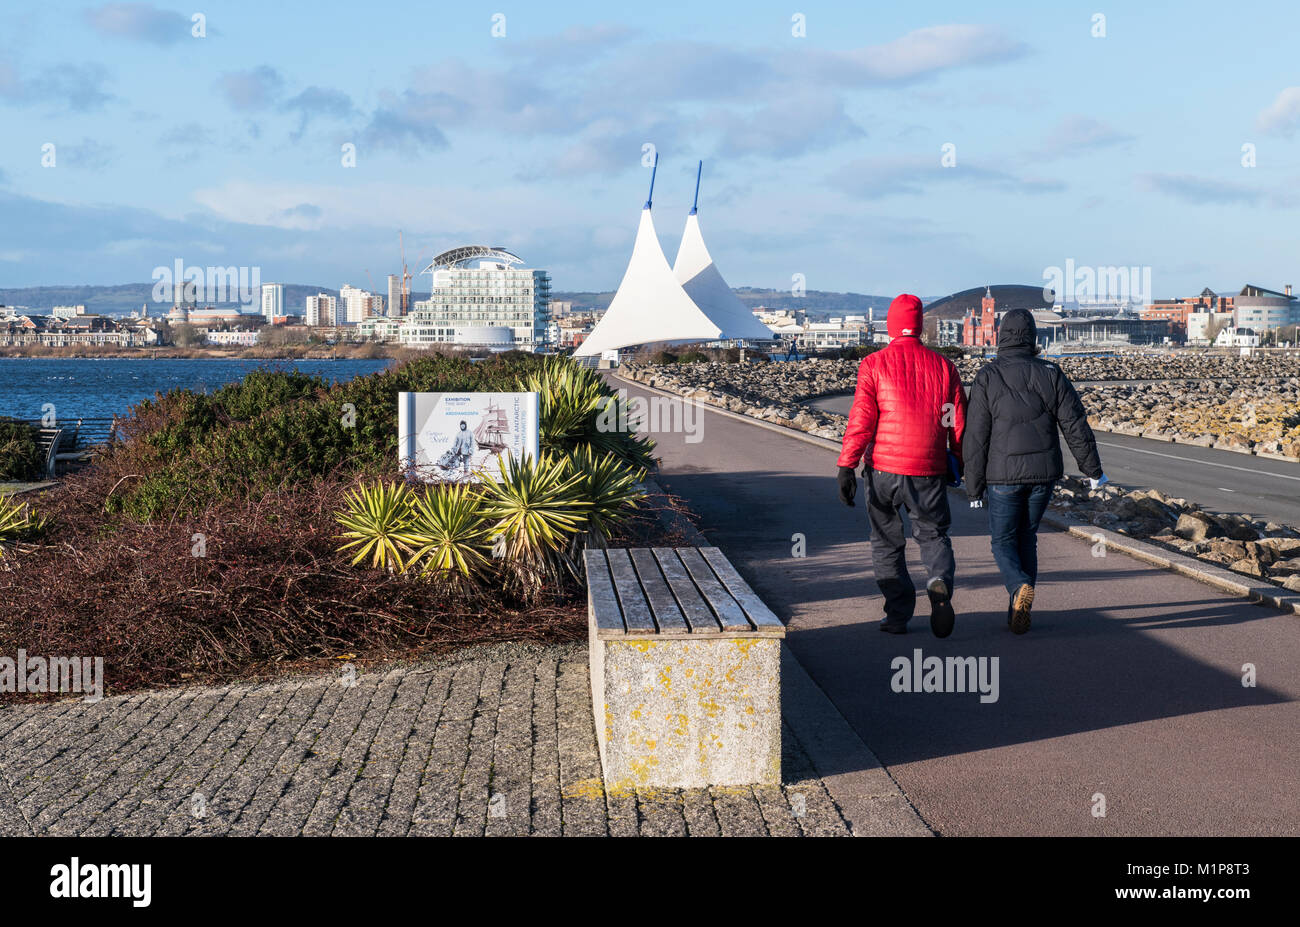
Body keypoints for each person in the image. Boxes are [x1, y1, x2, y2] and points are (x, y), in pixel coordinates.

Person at [962, 307, 1106, 634]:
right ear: (1032, 337)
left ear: (1001, 337)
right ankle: (1019, 607)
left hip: (1002, 477)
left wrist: (973, 486)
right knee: (1027, 537)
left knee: (1002, 541)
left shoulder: (988, 376)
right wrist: (1093, 470)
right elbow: (1075, 425)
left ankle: (1017, 587)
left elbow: (976, 435)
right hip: (1043, 475)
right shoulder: (1051, 373)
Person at [837, 294, 967, 637]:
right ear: (921, 326)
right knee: (933, 535)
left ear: (890, 325)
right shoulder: (944, 367)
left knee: (885, 542)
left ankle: (897, 615)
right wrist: (957, 459)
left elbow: (862, 420)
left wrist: (846, 465)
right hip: (928, 470)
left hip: (883, 470)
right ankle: (939, 582)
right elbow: (956, 421)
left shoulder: (874, 364)